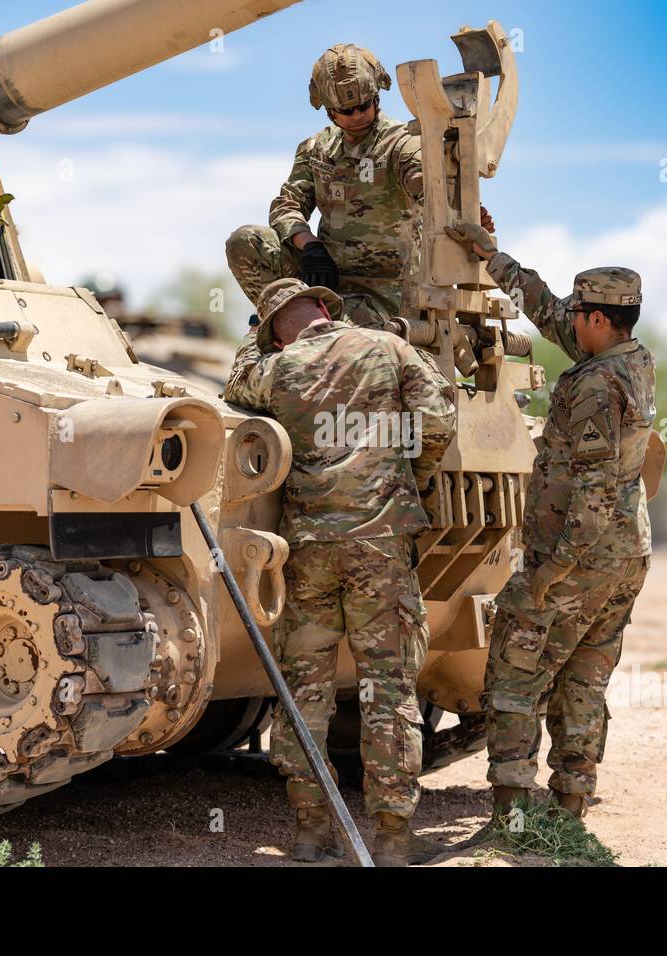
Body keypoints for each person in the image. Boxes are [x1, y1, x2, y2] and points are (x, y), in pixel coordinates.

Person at [223, 277, 456, 865]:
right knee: (389, 690)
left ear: (277, 333)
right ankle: (393, 838)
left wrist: (254, 339)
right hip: (381, 544)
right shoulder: (387, 346)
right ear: (326, 308)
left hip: (312, 548)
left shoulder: (278, 368)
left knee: (304, 689)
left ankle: (310, 831)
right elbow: (437, 420)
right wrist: (407, 481)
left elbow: (235, 384)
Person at [445, 220, 656, 831]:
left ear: (598, 319)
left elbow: (595, 488)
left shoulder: (595, 385)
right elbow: (548, 312)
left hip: (579, 557)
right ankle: (569, 808)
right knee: (584, 678)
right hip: (627, 554)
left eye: (578, 313)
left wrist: (551, 570)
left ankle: (512, 813)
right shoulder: (633, 359)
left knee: (514, 673)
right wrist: (494, 259)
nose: (569, 320)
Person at [225, 42, 491, 330]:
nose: (356, 115)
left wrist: (460, 210)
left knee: (339, 337)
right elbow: (286, 206)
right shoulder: (316, 149)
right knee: (244, 241)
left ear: (376, 97)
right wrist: (311, 247)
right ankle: (285, 314)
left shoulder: (402, 143)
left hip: (385, 292)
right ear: (329, 111)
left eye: (364, 106)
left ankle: (306, 324)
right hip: (324, 275)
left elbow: (428, 191)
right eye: (346, 110)